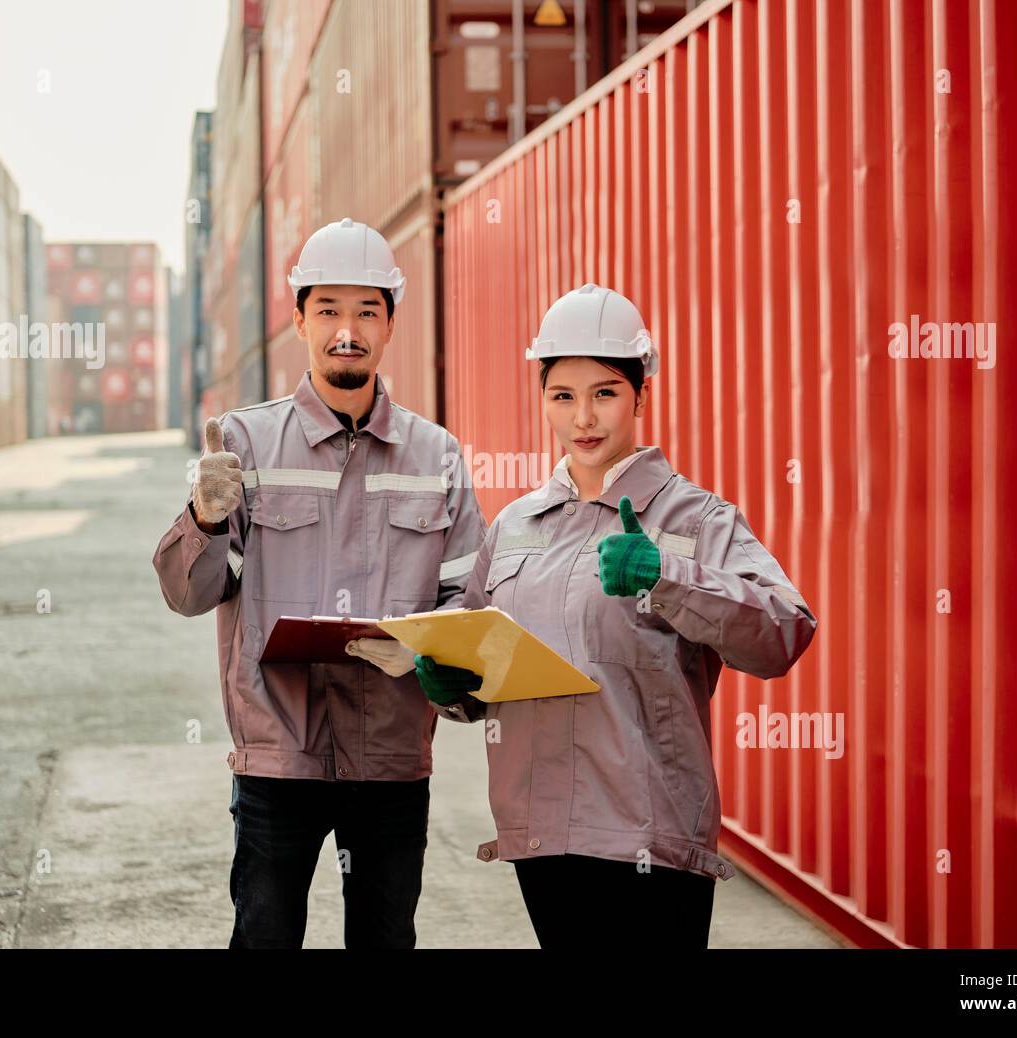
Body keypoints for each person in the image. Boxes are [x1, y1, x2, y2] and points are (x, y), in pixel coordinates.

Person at [415, 284, 817, 948]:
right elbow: (476, 640)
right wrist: (453, 688)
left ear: (641, 396)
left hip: (651, 837)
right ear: (542, 398)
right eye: (562, 396)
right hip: (541, 831)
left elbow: (783, 631)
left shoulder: (695, 520)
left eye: (604, 393)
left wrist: (665, 574)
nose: (584, 419)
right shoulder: (515, 525)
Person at [152, 218, 486, 948]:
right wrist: (203, 519)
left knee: (385, 939)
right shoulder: (244, 443)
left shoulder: (438, 456)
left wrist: (430, 658)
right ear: (299, 320)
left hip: (392, 755)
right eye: (329, 309)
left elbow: (469, 603)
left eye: (367, 310)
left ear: (390, 324)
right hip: (280, 755)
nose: (347, 330)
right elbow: (188, 594)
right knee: (266, 937)